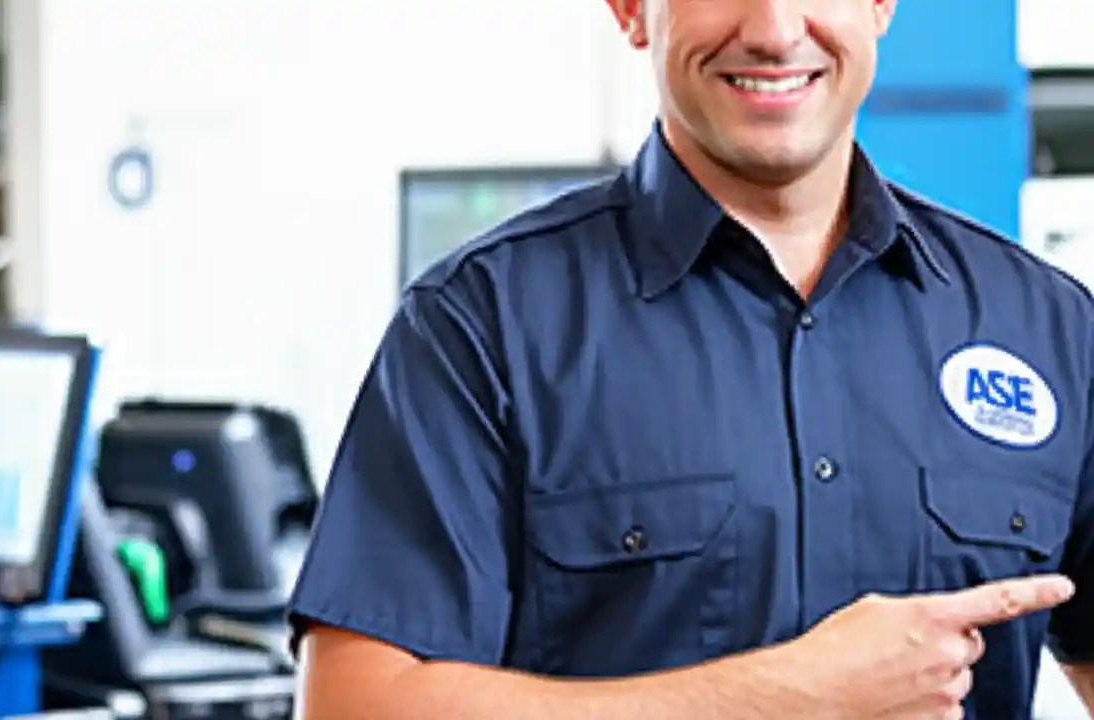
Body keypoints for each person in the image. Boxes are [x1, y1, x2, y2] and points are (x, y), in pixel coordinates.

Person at [287, 1, 1094, 717]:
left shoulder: (1048, 326)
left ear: (881, 3)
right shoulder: (482, 324)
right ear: (632, 9)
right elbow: (354, 707)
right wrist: (777, 701)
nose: (774, 31)